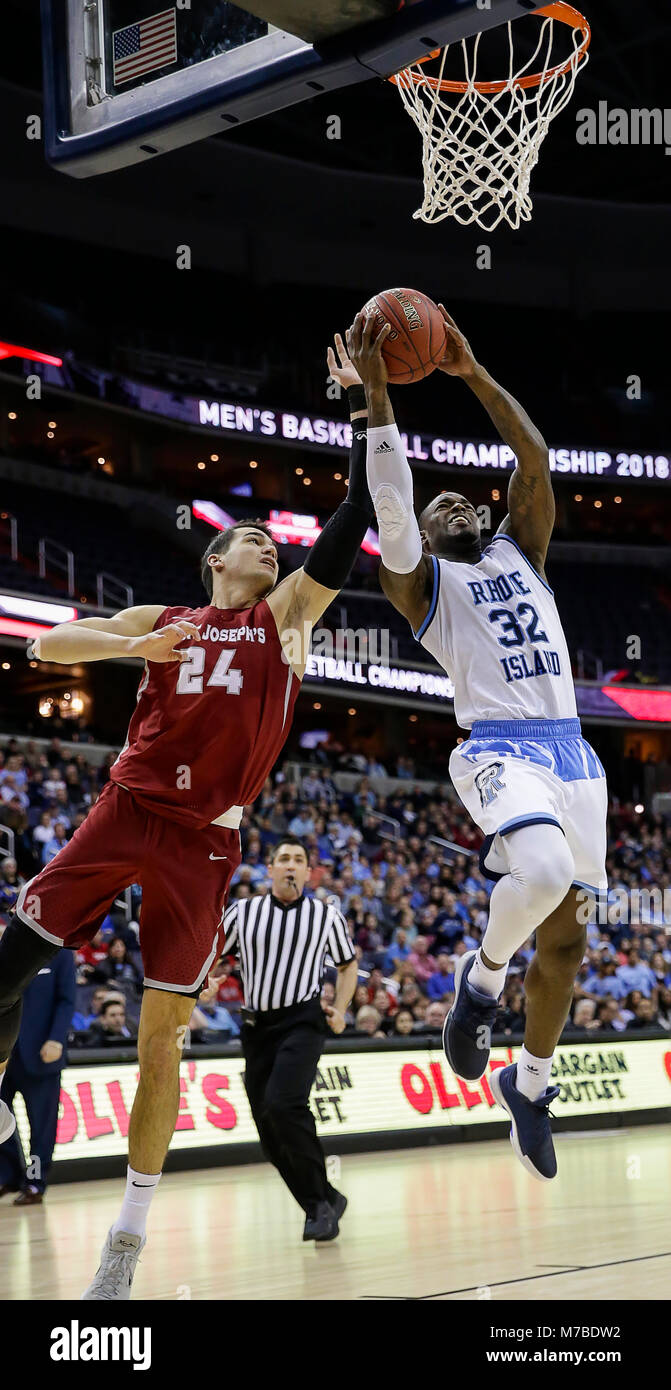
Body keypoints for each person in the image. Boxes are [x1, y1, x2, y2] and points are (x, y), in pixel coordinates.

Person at [0, 335, 376, 1299]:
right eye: (250, 540)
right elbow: (48, 644)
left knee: (159, 1036)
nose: (267, 546)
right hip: (125, 809)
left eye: (270, 543)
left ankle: (124, 1241)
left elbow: (352, 517)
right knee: (7, 960)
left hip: (205, 844)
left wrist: (364, 405)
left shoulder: (284, 617)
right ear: (216, 558)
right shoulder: (168, 619)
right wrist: (140, 647)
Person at [348, 305, 608, 1182]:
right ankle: (481, 980)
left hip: (573, 752)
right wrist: (380, 392)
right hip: (497, 746)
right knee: (535, 876)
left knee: (569, 943)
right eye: (435, 503)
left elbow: (532, 458)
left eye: (461, 495)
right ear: (420, 535)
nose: (450, 499)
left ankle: (530, 1085)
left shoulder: (519, 552)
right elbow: (388, 497)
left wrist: (466, 369)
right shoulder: (419, 587)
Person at [220, 837, 357, 1241]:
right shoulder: (242, 912)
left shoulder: (324, 915)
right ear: (270, 869)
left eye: (299, 859)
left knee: (284, 1106)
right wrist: (209, 982)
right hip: (256, 1027)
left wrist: (342, 1009)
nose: (291, 865)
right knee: (268, 1132)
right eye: (284, 859)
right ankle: (327, 1197)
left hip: (303, 1019)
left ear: (308, 871)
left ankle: (317, 1207)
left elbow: (348, 966)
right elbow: (213, 956)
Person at [0, 947, 75, 1203]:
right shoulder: (8, 946)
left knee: (40, 1128)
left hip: (42, 1053)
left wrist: (56, 1039)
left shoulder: (61, 954)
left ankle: (35, 1182)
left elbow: (66, 1000)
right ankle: (7, 1176)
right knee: (1, 1120)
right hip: (4, 1054)